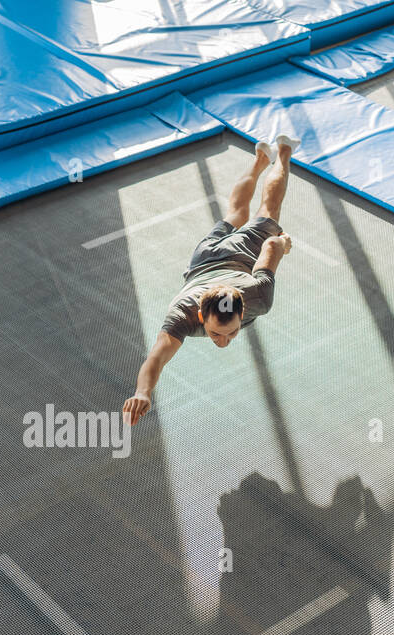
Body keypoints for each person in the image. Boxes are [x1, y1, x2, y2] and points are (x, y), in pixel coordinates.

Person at [123, 135, 298, 427]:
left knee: (253, 212)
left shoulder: (257, 297)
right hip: (212, 259)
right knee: (254, 211)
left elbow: (271, 246)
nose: (224, 341)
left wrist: (284, 242)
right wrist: (142, 392)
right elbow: (155, 358)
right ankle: (271, 154)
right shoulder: (184, 315)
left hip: (220, 258)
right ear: (201, 315)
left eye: (230, 333)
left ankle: (272, 154)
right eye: (218, 333)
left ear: (242, 313)